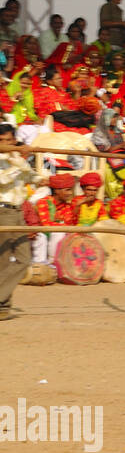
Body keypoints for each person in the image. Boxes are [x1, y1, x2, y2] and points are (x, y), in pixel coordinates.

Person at [0, 124, 39, 320]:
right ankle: (3, 306)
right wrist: (20, 163)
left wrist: (43, 179)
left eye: (8, 140)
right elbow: (3, 181)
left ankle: (1, 300)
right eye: (1, 141)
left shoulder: (16, 158)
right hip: (3, 211)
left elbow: (29, 176)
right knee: (4, 261)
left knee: (24, 258)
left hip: (18, 211)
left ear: (14, 140)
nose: (5, 144)